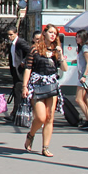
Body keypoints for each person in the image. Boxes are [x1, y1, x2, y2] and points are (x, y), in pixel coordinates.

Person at [22, 25, 65, 157]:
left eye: (55, 33)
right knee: (41, 117)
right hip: (37, 84)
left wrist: (60, 54)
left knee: (50, 117)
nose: (53, 35)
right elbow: (28, 67)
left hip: (52, 84)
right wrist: (24, 86)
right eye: (50, 32)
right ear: (44, 33)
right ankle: (31, 135)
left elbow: (64, 68)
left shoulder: (56, 50)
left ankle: (45, 147)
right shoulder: (35, 49)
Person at [6, 25, 30, 120]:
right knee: (17, 91)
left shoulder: (20, 42)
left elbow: (30, 51)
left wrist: (24, 61)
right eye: (8, 35)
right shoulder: (12, 44)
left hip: (21, 71)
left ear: (16, 34)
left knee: (18, 91)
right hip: (15, 71)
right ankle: (15, 113)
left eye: (11, 35)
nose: (9, 37)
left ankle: (16, 113)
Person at [74, 29, 88, 127]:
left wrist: (84, 75)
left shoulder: (85, 48)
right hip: (84, 75)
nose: (76, 38)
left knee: (78, 99)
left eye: (78, 36)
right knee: (86, 98)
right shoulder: (82, 48)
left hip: (85, 76)